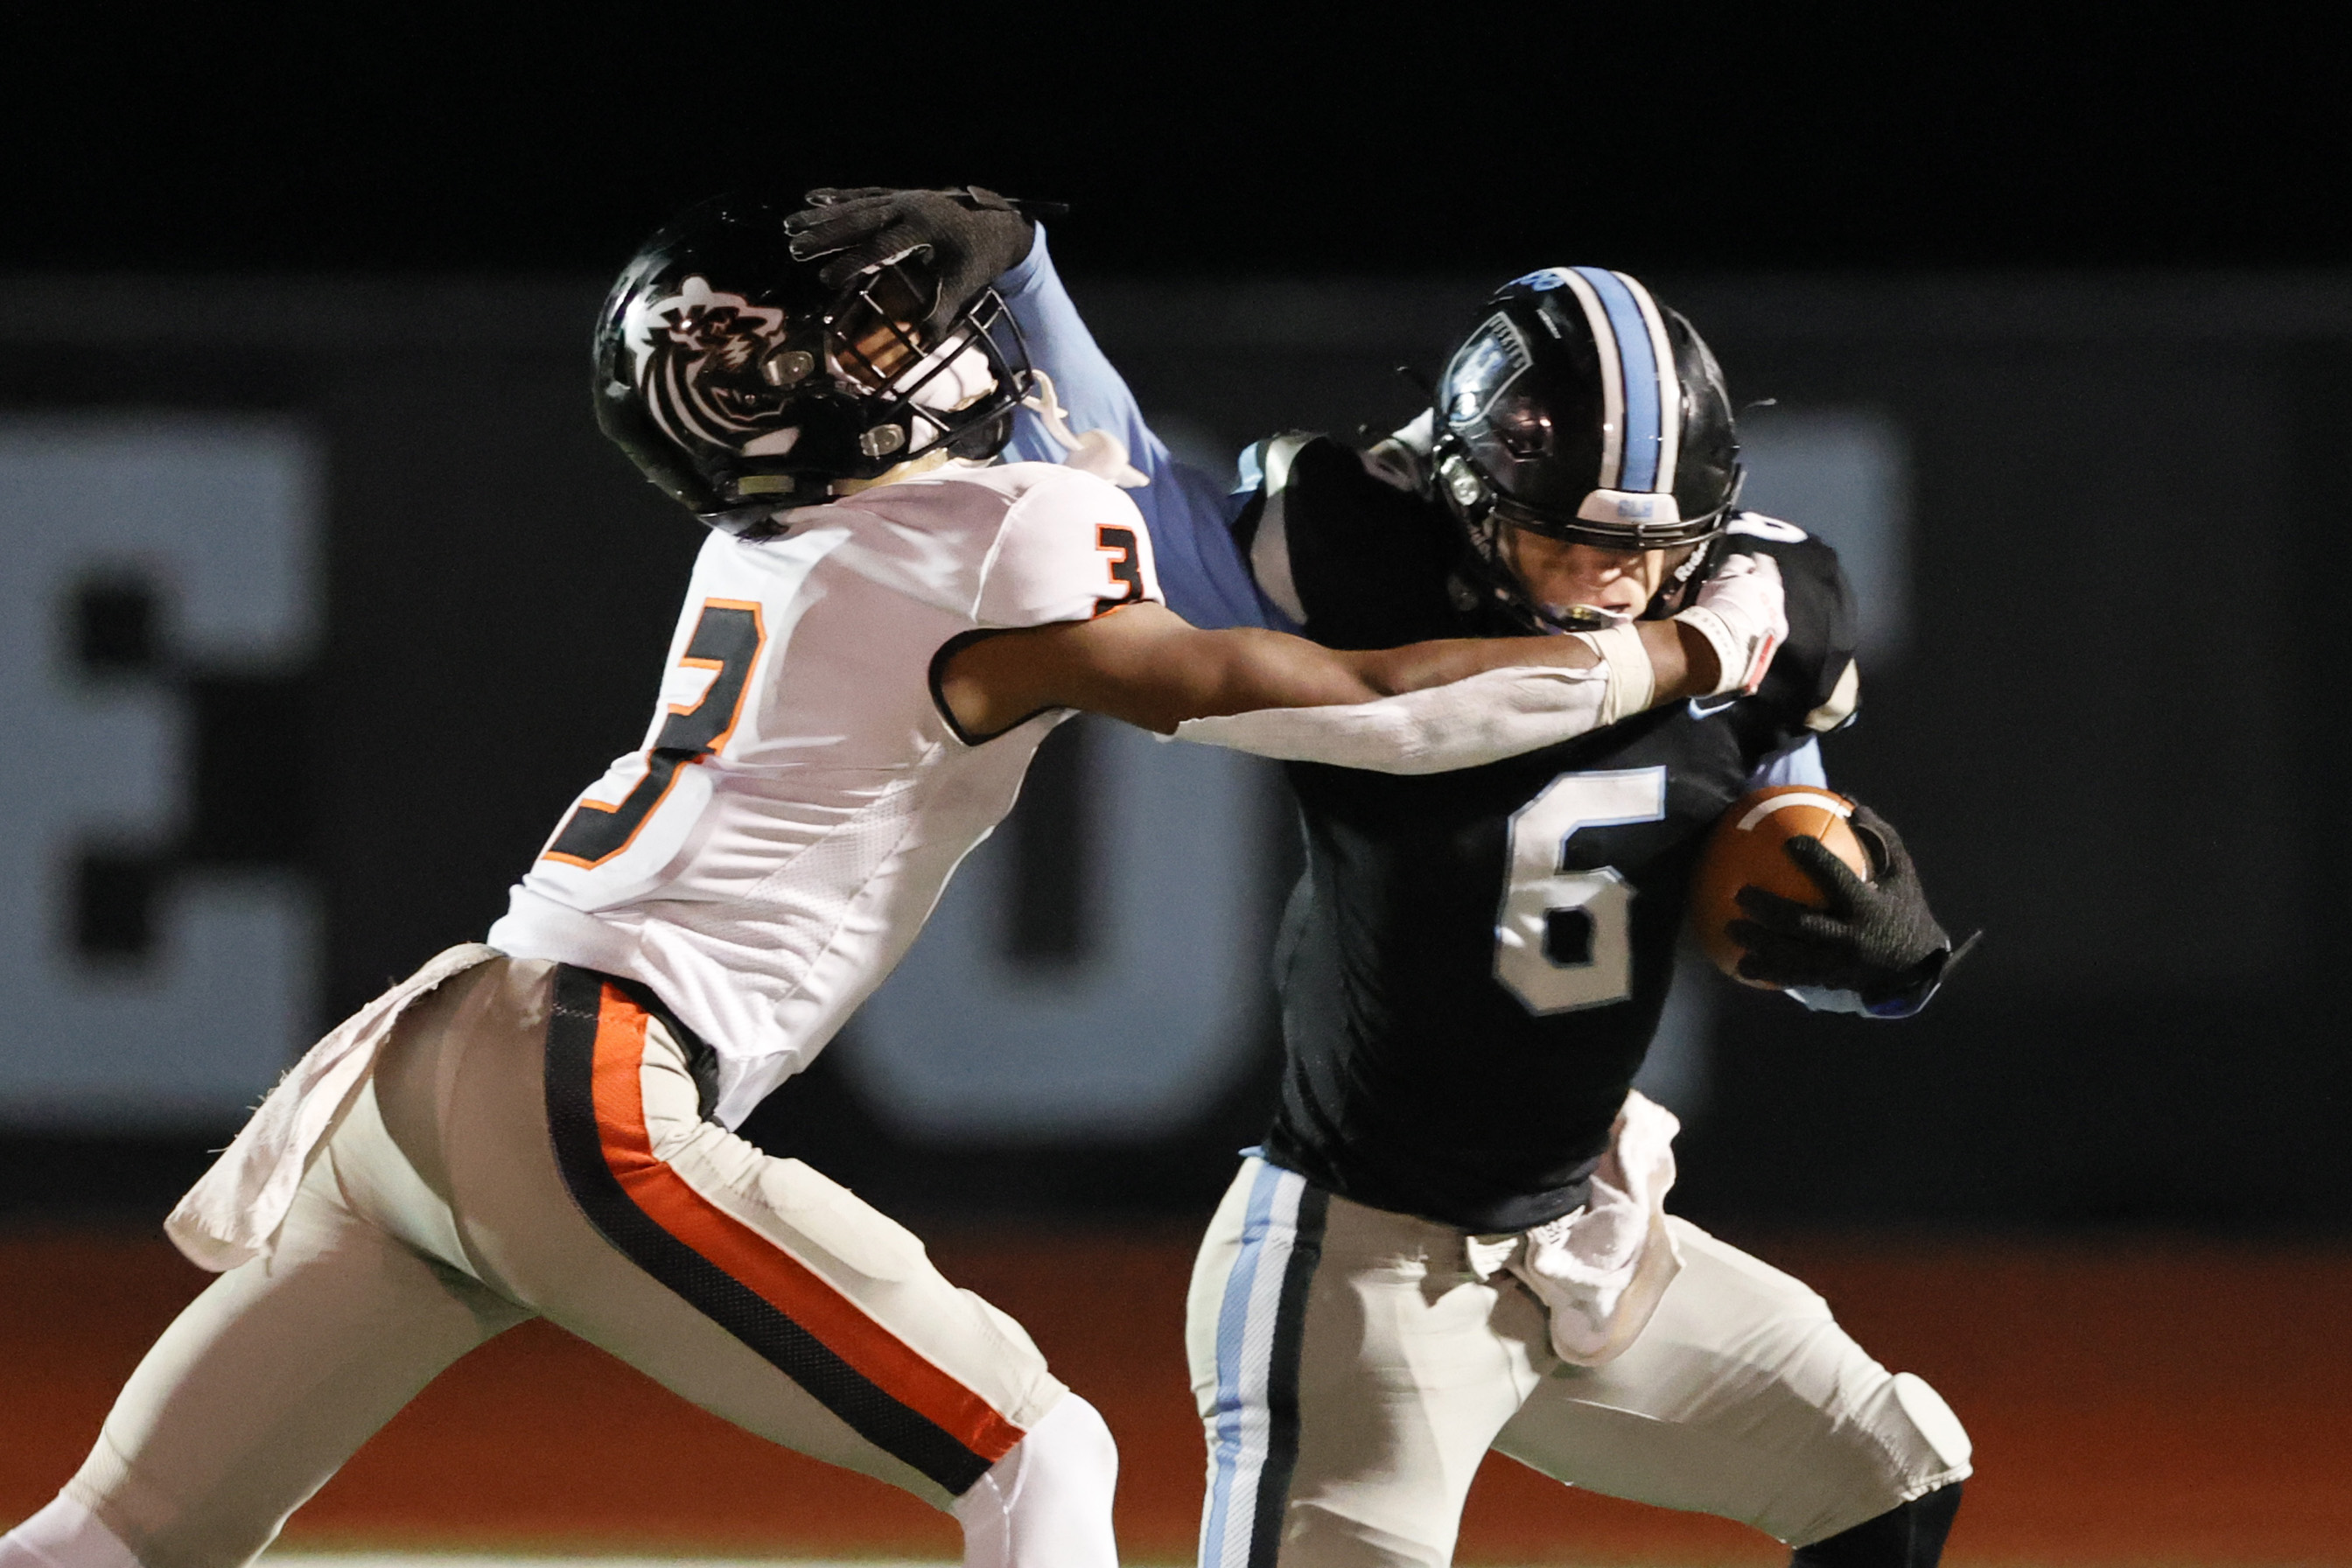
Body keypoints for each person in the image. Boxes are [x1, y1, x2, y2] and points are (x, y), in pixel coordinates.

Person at [0, 194, 1792, 1568]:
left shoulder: (779, 534)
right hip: (586, 1083)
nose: (907, 351)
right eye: (859, 343)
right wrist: (1671, 660)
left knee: (106, 1542)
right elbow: (1310, 700)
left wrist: (1015, 285)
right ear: (792, 400)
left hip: (426, 1062)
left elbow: (1094, 456)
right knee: (1039, 1451)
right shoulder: (989, 534)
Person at [783, 188, 1973, 1568]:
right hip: (1366, 1272)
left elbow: (1779, 799)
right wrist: (1030, 277)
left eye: (1640, 558)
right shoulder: (1355, 558)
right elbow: (1119, 480)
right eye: (1563, 542)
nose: (1600, 589)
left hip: (1594, 1232)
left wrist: (1852, 920)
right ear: (1463, 491)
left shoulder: (1770, 597)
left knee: (1891, 1474)